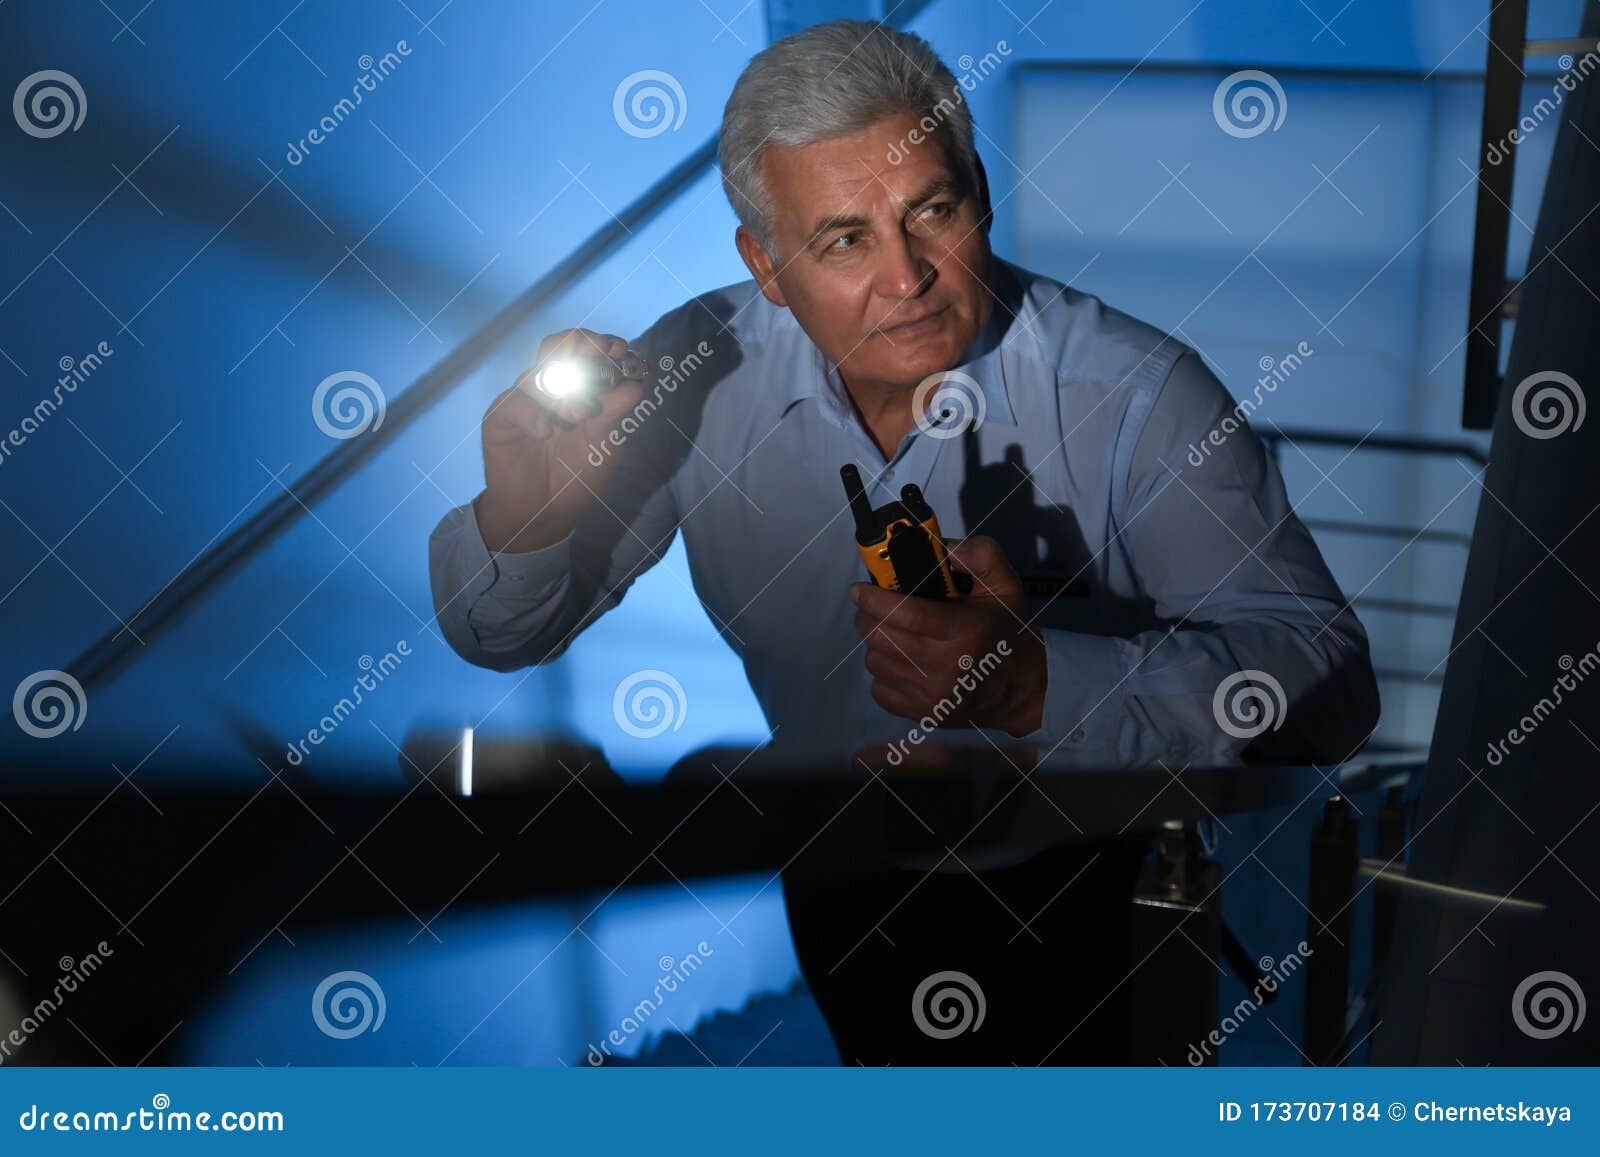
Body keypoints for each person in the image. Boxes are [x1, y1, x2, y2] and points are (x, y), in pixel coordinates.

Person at [429, 20, 1379, 1063]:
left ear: (978, 187)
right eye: (843, 239)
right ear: (767, 265)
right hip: (836, 876)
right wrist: (528, 526)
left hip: (1086, 886)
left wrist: (1042, 687)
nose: (908, 277)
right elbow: (502, 636)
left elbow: (1329, 683)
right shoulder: (688, 368)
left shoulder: (1138, 392)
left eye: (933, 210)